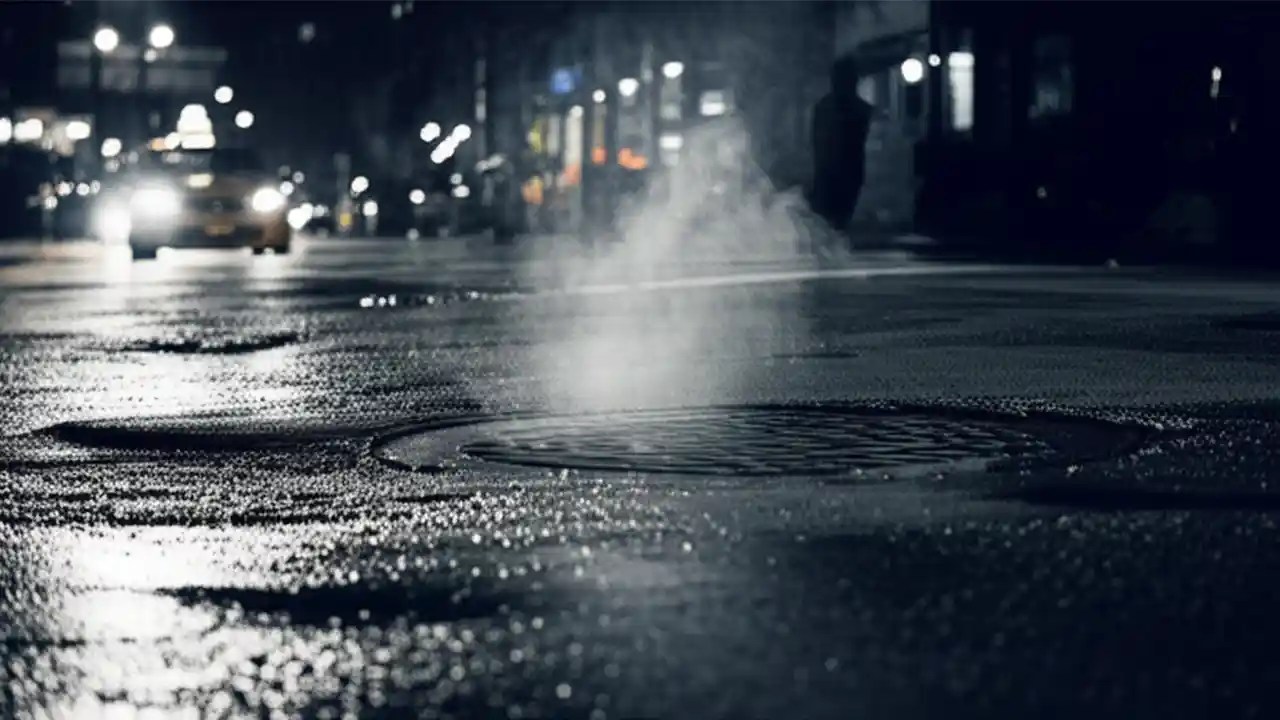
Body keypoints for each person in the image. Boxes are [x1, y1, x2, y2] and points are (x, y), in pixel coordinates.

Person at [811, 54, 874, 238]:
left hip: (839, 171)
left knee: (834, 220)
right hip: (839, 171)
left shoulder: (825, 108)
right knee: (835, 220)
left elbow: (816, 142)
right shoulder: (859, 110)